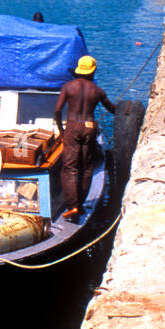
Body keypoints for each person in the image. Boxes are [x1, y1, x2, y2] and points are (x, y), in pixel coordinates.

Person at [54, 56, 116, 221]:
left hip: (73, 127)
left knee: (70, 168)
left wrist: (61, 130)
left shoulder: (68, 87)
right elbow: (111, 109)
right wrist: (126, 110)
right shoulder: (97, 91)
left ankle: (73, 206)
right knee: (87, 168)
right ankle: (80, 205)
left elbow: (58, 110)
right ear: (93, 70)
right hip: (89, 127)